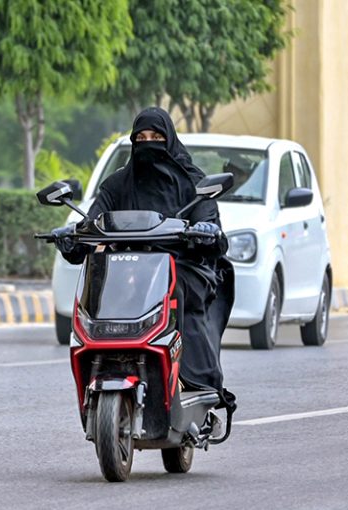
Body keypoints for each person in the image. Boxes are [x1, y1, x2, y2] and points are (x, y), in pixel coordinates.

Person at [53, 107, 236, 413]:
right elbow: (95, 220)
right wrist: (72, 235)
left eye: (157, 137)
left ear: (170, 139)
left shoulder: (193, 183)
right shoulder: (117, 184)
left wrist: (206, 230)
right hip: (126, 270)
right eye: (141, 138)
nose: (149, 143)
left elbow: (210, 222)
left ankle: (196, 382)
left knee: (175, 290)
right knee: (100, 291)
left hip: (181, 265)